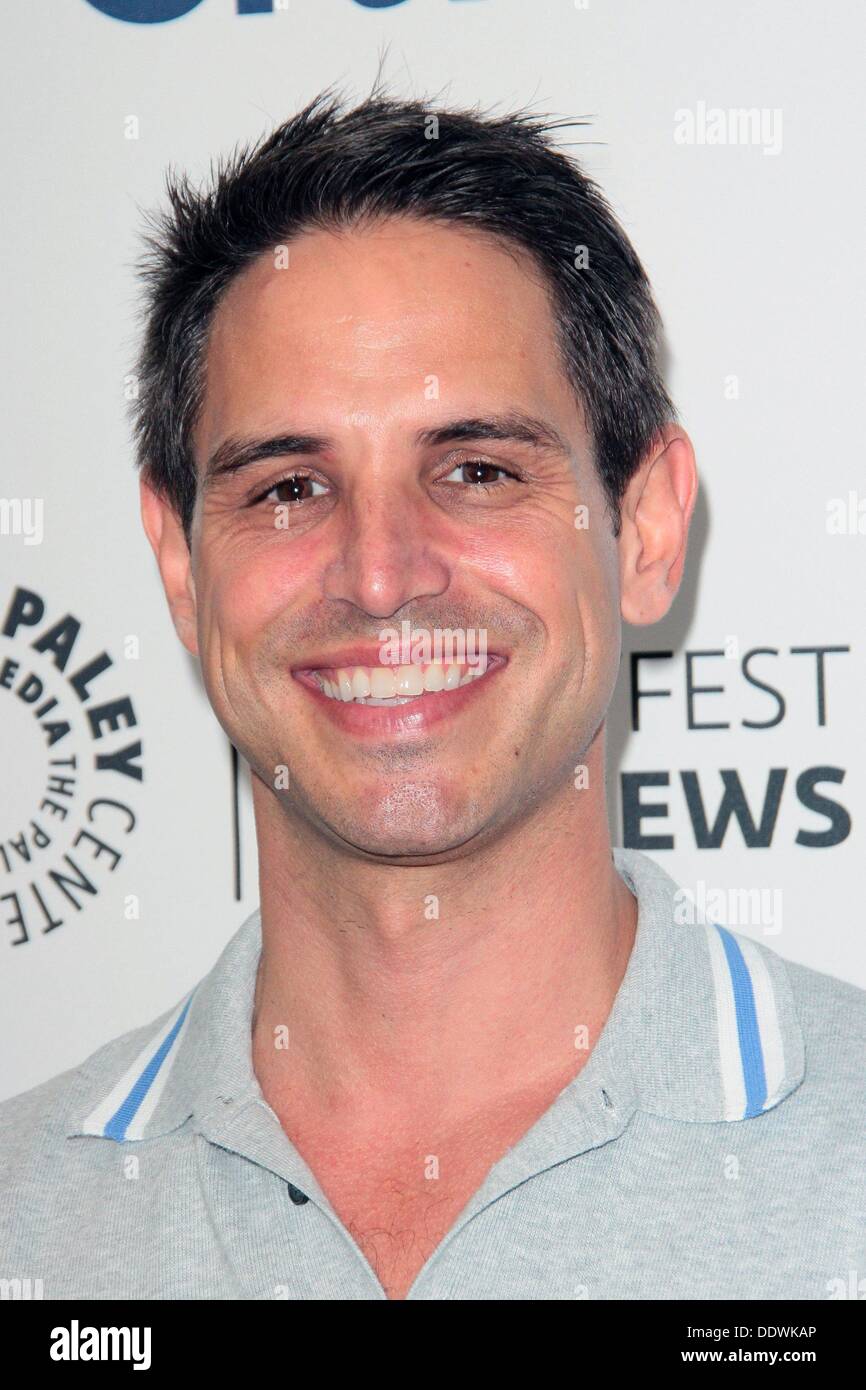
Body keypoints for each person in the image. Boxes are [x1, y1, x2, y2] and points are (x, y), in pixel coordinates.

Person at [1, 90, 863, 1302]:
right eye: (289, 487)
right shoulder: (26, 1219)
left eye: (475, 468)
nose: (380, 574)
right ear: (183, 567)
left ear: (645, 526)